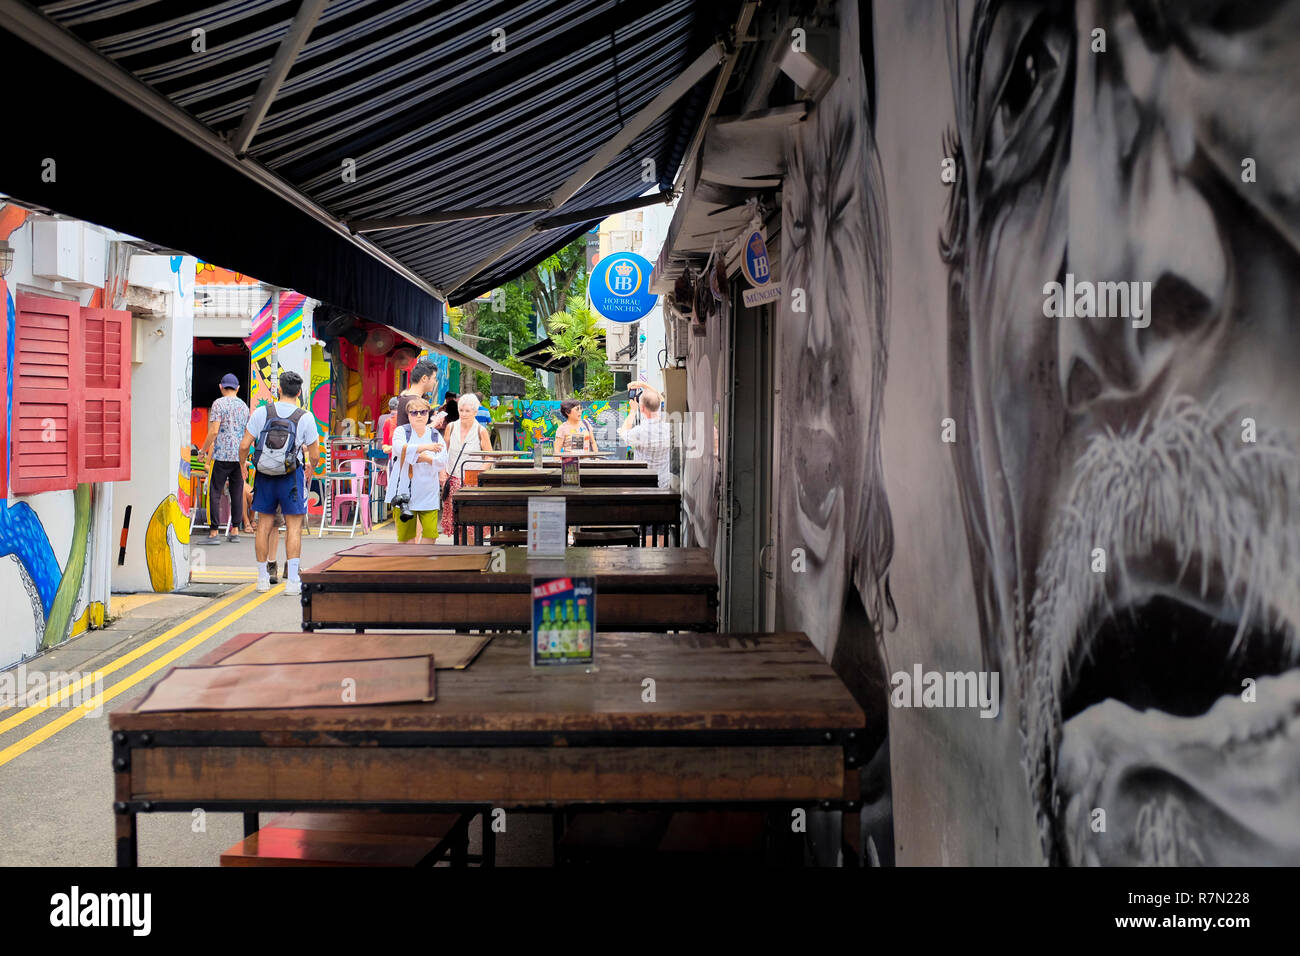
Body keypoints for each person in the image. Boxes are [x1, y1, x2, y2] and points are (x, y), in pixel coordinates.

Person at [239, 371, 321, 595]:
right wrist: (310, 469)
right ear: (299, 393)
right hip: (292, 476)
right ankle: (293, 580)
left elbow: (245, 445)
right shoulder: (305, 417)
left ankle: (262, 578)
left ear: (279, 390)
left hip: (264, 475)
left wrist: (243, 465)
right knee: (293, 527)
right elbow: (315, 454)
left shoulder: (261, 413)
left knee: (263, 526)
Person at [387, 397, 447, 543]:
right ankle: (410, 565)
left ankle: (422, 564)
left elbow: (442, 460)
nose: (419, 416)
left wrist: (424, 458)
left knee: (430, 534)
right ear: (408, 415)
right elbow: (399, 449)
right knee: (406, 537)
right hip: (404, 493)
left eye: (423, 412)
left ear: (428, 414)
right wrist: (426, 448)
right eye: (414, 413)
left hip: (428, 492)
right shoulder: (401, 432)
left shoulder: (434, 435)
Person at [198, 373, 250, 542]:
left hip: (221, 455)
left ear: (221, 387)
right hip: (239, 456)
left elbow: (214, 431)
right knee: (236, 493)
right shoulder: (244, 407)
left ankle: (214, 532)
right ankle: (235, 530)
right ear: (238, 388)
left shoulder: (218, 404)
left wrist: (202, 451)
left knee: (214, 491)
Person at [439, 393, 492, 540]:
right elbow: (443, 452)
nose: (464, 414)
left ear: (475, 412)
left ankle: (472, 554)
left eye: (468, 411)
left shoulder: (480, 430)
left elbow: (490, 456)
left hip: (472, 483)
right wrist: (442, 472)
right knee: (457, 524)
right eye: (461, 410)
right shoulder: (451, 427)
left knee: (472, 525)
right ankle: (460, 553)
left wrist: (479, 472)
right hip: (453, 480)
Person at [618, 383, 672, 489]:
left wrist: (633, 410)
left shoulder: (639, 431)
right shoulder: (669, 428)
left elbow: (623, 431)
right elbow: (660, 400)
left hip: (643, 484)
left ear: (641, 408)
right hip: (664, 484)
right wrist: (644, 385)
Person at [395, 360, 447, 431]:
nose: (435, 382)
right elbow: (418, 433)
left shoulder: (404, 398)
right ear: (424, 378)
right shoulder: (415, 402)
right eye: (434, 378)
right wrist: (434, 424)